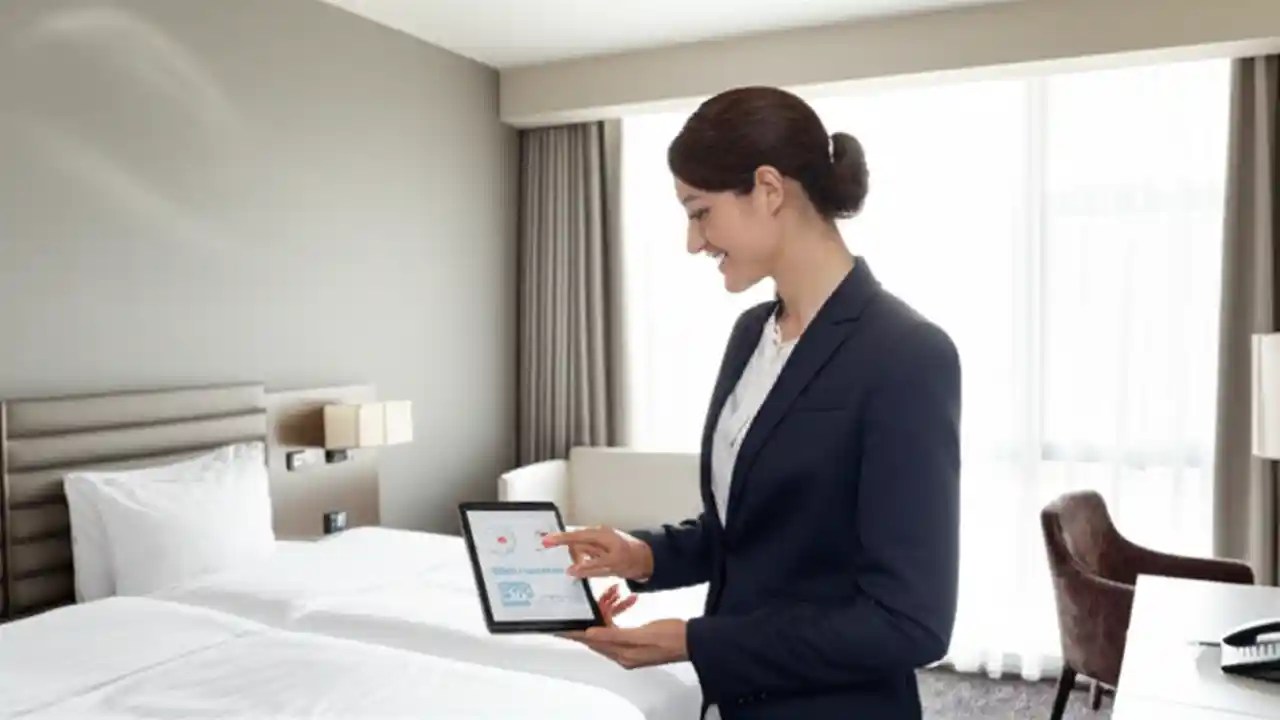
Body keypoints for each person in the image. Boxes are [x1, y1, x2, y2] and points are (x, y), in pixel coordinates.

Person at [544, 85, 961, 719]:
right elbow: (751, 533)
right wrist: (642, 554)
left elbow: (910, 622)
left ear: (768, 189)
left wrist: (695, 641)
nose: (693, 241)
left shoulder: (907, 354)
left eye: (699, 211)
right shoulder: (751, 335)